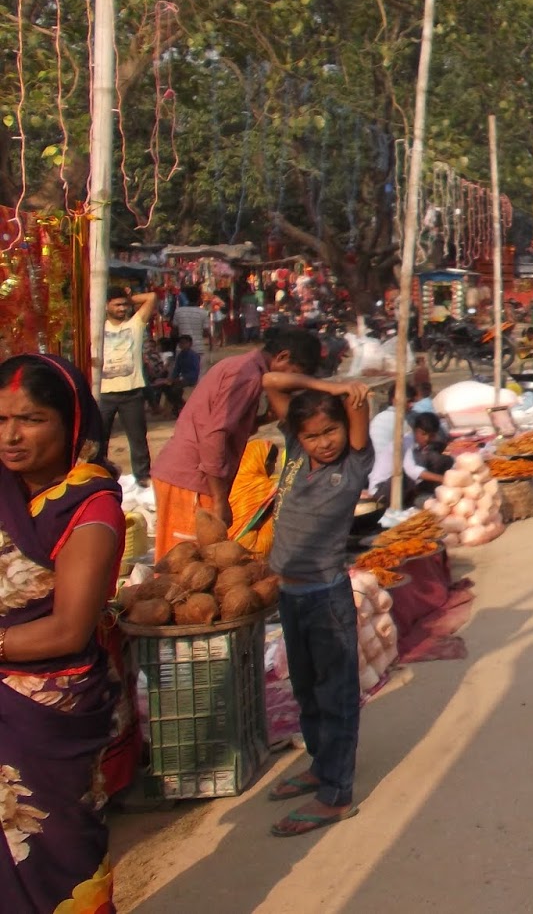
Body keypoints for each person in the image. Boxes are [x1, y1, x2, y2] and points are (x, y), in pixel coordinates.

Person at [0, 354, 127, 913]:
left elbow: (69, 629)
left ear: (71, 422)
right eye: (0, 420)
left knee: (55, 856)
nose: (11, 436)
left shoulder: (89, 509)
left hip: (48, 709)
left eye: (30, 419)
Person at [266, 380, 372, 838]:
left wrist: (342, 396)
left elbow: (356, 403)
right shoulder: (293, 454)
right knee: (307, 690)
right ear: (298, 436)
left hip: (326, 598)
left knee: (336, 695)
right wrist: (321, 385)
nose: (324, 442)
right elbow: (271, 381)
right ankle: (319, 764)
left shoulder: (352, 466)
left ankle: (335, 795)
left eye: (331, 430)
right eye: (313, 435)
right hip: (290, 596)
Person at [149, 327, 323, 557]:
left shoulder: (242, 367)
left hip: (189, 475)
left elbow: (228, 426)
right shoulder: (247, 375)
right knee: (183, 565)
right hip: (191, 478)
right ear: (282, 357)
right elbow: (215, 436)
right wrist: (221, 500)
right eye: (294, 375)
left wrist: (262, 419)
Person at [98, 286, 157, 485]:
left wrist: (127, 298)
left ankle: (142, 476)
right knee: (99, 439)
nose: (122, 308)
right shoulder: (98, 327)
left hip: (132, 391)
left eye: (124, 305)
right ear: (106, 306)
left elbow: (151, 297)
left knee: (138, 439)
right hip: (104, 393)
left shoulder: (135, 325)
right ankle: (98, 474)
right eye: (117, 304)